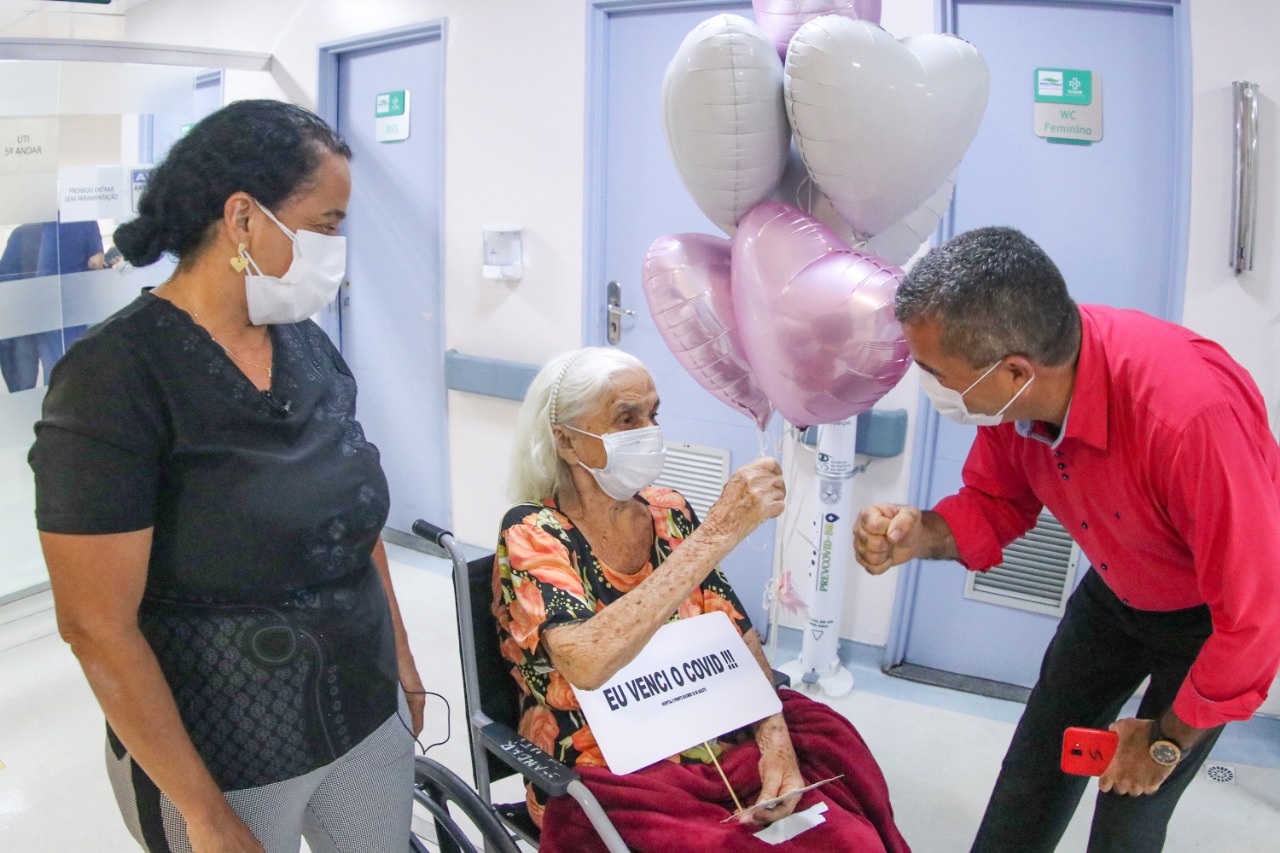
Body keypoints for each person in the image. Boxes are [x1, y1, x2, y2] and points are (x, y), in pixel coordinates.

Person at [29, 100, 424, 853]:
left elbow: (354, 521)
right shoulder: (116, 379)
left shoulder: (308, 349)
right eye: (328, 223)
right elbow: (95, 625)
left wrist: (399, 651)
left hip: (364, 709)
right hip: (226, 751)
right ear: (243, 219)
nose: (339, 247)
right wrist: (205, 813)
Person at [852, 226, 1280, 852]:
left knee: (1129, 812)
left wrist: (1165, 741)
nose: (930, 386)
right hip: (1114, 590)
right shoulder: (1013, 394)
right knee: (1034, 775)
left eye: (934, 372)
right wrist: (921, 534)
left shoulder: (1189, 419)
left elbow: (1254, 616)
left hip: (1209, 622)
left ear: (1016, 370)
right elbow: (997, 502)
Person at [494, 347, 910, 852]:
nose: (649, 431)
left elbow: (735, 627)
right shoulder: (534, 532)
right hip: (611, 762)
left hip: (711, 728)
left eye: (653, 413)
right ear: (565, 439)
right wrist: (716, 535)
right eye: (627, 418)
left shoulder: (668, 510)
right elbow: (586, 662)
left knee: (840, 797)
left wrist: (774, 740)